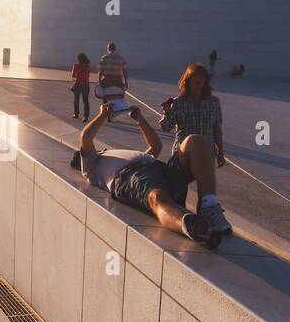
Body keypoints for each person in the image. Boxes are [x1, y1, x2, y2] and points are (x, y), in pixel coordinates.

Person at [74, 102, 209, 243]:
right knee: (156, 196)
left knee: (194, 141)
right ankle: (189, 225)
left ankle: (209, 204)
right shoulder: (91, 167)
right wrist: (103, 115)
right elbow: (86, 138)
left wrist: (140, 119)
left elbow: (156, 146)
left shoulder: (119, 156)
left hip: (158, 168)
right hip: (131, 176)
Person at [158, 63, 231, 234]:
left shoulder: (214, 102)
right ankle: (184, 224)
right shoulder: (178, 103)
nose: (198, 81)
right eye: (194, 77)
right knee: (178, 198)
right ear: (187, 80)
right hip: (183, 155)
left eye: (202, 77)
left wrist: (220, 152)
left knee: (205, 194)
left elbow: (216, 129)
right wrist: (167, 111)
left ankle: (207, 222)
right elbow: (165, 127)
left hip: (206, 155)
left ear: (206, 81)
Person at [96, 42, 128, 120]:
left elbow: (100, 71)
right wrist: (126, 82)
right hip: (117, 80)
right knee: (118, 96)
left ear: (108, 49)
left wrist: (99, 81)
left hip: (107, 79)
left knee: (105, 96)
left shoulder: (104, 58)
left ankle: (105, 113)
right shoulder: (121, 58)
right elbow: (124, 71)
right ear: (115, 49)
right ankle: (113, 112)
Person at [70, 52, 92, 122]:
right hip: (86, 84)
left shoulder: (75, 66)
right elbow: (88, 76)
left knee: (76, 100)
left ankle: (76, 114)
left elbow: (73, 75)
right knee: (85, 101)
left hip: (78, 84)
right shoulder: (88, 66)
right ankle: (86, 116)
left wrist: (78, 75)